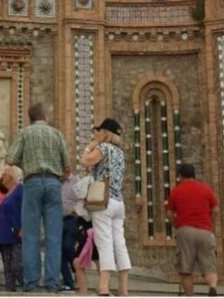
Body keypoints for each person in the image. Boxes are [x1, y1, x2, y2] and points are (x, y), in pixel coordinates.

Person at [7, 103, 70, 292]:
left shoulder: (25, 133)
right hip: (53, 183)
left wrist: (24, 162)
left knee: (31, 235)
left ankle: (31, 282)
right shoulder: (57, 134)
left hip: (32, 182)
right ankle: (52, 282)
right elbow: (67, 167)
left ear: (30, 118)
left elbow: (10, 159)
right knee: (53, 236)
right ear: (44, 116)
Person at [80, 118, 131, 296]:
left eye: (100, 131)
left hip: (103, 201)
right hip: (119, 202)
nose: (97, 134)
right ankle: (123, 288)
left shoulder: (104, 148)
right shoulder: (120, 153)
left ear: (106, 134)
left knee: (104, 242)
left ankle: (104, 287)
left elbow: (85, 161)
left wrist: (90, 146)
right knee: (120, 243)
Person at [166, 163, 219, 297]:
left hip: (185, 230)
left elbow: (169, 213)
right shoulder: (205, 189)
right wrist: (210, 222)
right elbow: (216, 209)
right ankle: (212, 287)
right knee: (209, 266)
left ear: (180, 176)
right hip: (205, 231)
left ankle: (190, 295)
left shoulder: (176, 191)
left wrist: (176, 224)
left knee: (186, 269)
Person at [0, 165, 24, 291]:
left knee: (16, 267)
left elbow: (27, 210)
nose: (3, 176)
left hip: (17, 235)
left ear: (12, 177)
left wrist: (24, 227)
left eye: (5, 174)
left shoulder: (21, 190)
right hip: (5, 237)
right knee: (8, 272)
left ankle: (29, 289)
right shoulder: (7, 194)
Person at [61, 172, 80, 291]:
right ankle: (69, 283)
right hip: (58, 220)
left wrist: (77, 210)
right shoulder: (56, 182)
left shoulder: (76, 181)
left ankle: (77, 268)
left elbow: (82, 199)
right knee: (59, 254)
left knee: (68, 246)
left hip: (72, 219)